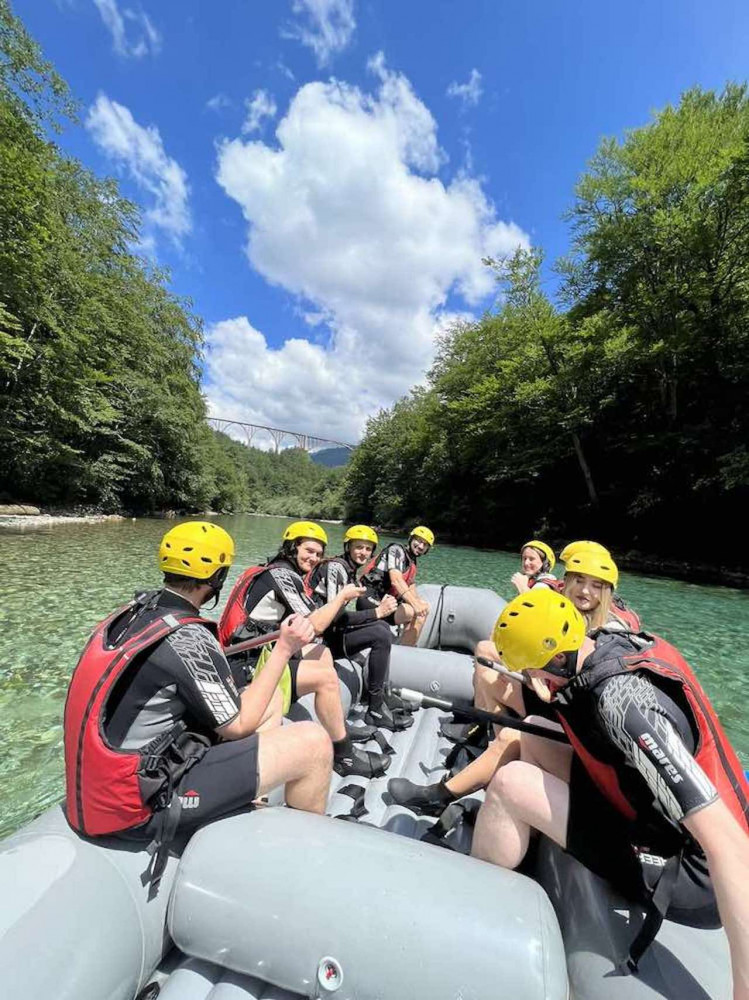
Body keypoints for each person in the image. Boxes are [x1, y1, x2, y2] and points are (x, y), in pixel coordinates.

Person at [471, 588, 749, 992]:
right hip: (653, 818)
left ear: (557, 659)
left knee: (512, 785)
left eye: (532, 671)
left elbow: (728, 846)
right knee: (535, 735)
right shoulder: (605, 644)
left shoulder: (626, 707)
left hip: (691, 874)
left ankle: (475, 911)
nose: (534, 681)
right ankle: (524, 849)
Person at [63, 521, 333, 886]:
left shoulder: (131, 612)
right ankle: (301, 869)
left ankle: (252, 803)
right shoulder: (189, 636)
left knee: (272, 702)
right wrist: (283, 649)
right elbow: (238, 725)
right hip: (137, 806)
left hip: (110, 785)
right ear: (218, 577)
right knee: (314, 744)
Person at [390, 543, 641, 813]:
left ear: (607, 592)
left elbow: (579, 696)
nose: (585, 591)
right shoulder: (567, 611)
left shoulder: (609, 633)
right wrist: (533, 676)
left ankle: (439, 796)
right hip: (557, 702)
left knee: (512, 735)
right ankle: (490, 743)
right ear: (567, 581)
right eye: (579, 581)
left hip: (572, 721)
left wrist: (539, 683)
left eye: (596, 585)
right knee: (487, 659)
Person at [219, 520, 391, 779]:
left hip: (254, 654)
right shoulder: (282, 576)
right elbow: (316, 625)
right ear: (292, 547)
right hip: (248, 666)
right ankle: (343, 756)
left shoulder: (273, 571)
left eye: (319, 554)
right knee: (325, 676)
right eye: (308, 551)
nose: (314, 558)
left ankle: (336, 724)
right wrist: (343, 598)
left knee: (322, 653)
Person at [307, 524, 413, 732]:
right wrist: (377, 612)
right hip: (319, 640)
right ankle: (375, 709)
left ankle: (380, 696)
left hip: (329, 634)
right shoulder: (336, 569)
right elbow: (334, 619)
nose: (363, 552)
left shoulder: (349, 570)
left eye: (367, 549)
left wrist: (378, 616)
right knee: (381, 631)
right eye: (358, 547)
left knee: (381, 627)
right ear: (348, 547)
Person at [357, 525, 435, 646]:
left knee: (422, 609)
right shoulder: (396, 550)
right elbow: (396, 580)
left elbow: (410, 586)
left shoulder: (411, 561)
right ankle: (405, 651)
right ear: (411, 539)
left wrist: (419, 603)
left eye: (425, 545)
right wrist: (415, 605)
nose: (420, 546)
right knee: (415, 612)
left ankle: (405, 648)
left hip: (387, 601)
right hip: (370, 599)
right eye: (418, 541)